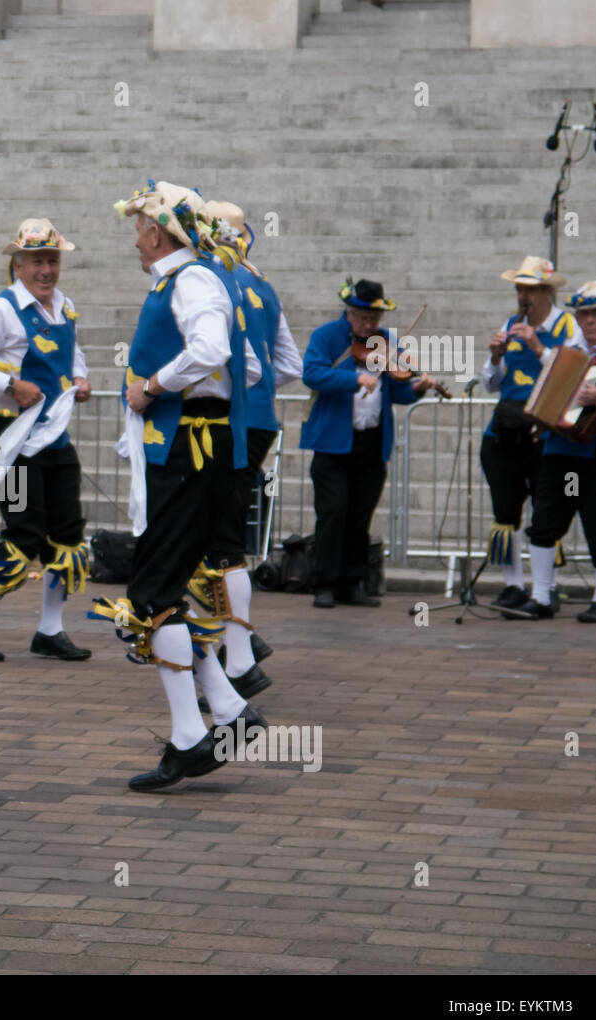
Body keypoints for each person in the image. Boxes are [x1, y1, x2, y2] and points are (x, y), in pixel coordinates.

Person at [98, 179, 262, 791]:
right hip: (199, 445)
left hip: (191, 447)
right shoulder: (191, 281)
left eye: (139, 225)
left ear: (159, 231)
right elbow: (243, 363)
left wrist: (155, 386)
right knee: (158, 591)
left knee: (152, 593)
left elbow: (214, 350)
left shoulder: (191, 281)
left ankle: (201, 730)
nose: (134, 237)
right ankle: (223, 714)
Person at [0, 219, 93, 663]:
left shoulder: (64, 306)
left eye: (52, 260)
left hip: (53, 434)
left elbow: (73, 350)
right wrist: (9, 384)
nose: (46, 270)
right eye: (37, 261)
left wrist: (81, 376)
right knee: (25, 531)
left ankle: (50, 629)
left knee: (66, 533)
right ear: (18, 264)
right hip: (9, 436)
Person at [197, 200, 302, 695]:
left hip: (224, 420)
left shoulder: (207, 279)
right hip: (259, 418)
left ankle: (237, 654)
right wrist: (259, 390)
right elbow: (289, 364)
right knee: (224, 533)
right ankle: (237, 649)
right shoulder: (262, 284)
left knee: (216, 538)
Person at [301, 279, 439, 608]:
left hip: (371, 442)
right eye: (363, 318)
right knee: (332, 512)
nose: (369, 325)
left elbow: (401, 392)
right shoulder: (326, 337)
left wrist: (419, 387)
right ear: (349, 313)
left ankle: (353, 583)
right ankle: (324, 584)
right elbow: (312, 373)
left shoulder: (389, 343)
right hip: (333, 444)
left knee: (360, 516)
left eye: (374, 319)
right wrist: (354, 378)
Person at [511, 279, 596, 621]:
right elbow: (552, 379)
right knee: (546, 517)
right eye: (584, 314)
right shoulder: (570, 350)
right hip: (562, 448)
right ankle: (541, 596)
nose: (589, 321)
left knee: (594, 519)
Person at [480, 255, 585, 609]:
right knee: (505, 513)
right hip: (506, 431)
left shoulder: (568, 326)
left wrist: (539, 348)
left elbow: (571, 374)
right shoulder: (511, 323)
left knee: (547, 513)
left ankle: (546, 587)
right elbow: (490, 385)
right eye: (518, 289)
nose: (521, 296)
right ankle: (513, 585)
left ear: (545, 292)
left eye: (527, 290)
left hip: (546, 435)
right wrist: (495, 357)